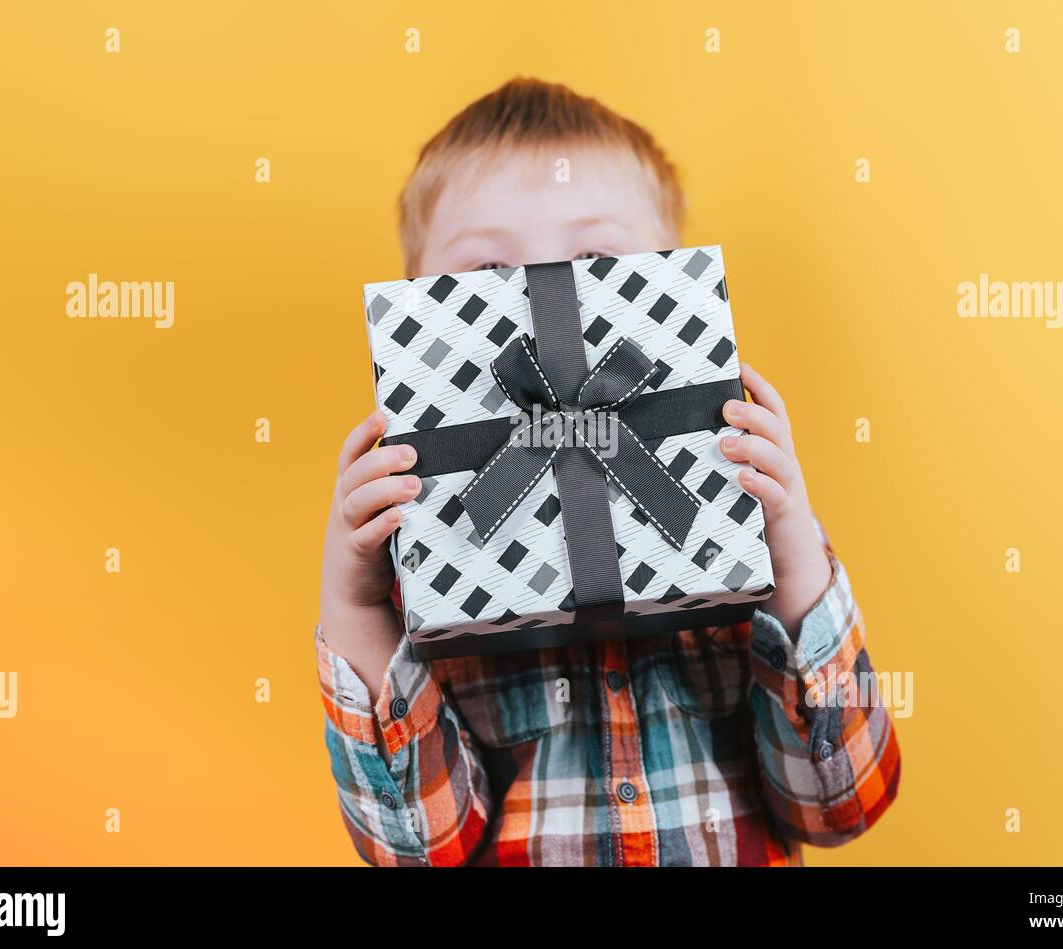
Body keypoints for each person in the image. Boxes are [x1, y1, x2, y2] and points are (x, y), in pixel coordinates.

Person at [316, 77, 900, 865]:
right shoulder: (433, 565)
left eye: (596, 257)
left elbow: (841, 804)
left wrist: (791, 551)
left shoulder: (730, 523)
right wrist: (356, 606)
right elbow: (417, 848)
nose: (542, 294)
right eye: (486, 268)